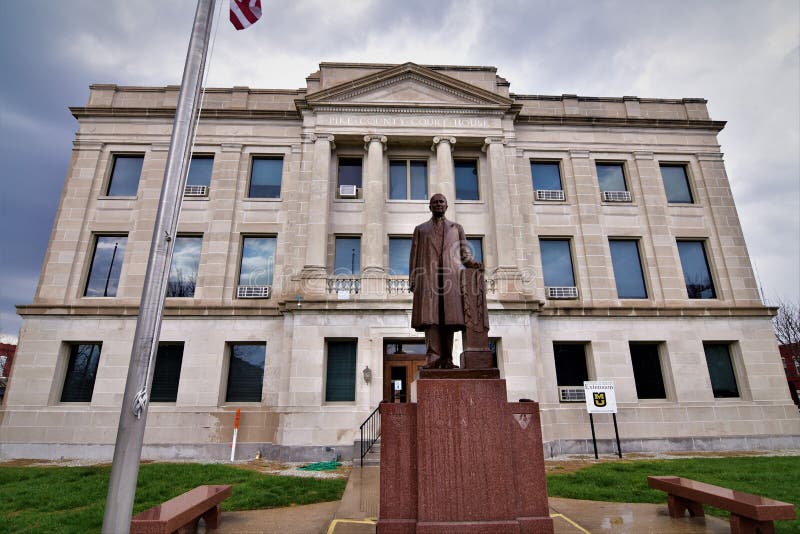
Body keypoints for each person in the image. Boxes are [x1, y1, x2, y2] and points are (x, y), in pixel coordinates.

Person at [409, 194, 482, 369]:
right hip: (428, 278)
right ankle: (433, 358)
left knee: (449, 319)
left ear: (447, 206)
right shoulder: (421, 229)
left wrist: (472, 263)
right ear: (430, 207)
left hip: (451, 279)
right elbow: (414, 255)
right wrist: (412, 278)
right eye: (435, 202)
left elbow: (464, 253)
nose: (438, 205)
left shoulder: (457, 228)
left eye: (441, 202)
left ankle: (447, 359)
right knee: (431, 320)